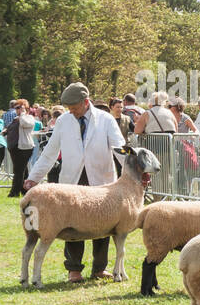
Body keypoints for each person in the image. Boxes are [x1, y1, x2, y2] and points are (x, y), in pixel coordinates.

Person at [24, 83, 127, 282]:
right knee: (69, 223)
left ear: (86, 102)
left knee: (104, 222)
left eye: (74, 107)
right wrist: (33, 178)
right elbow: (49, 153)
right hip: (73, 180)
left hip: (101, 179)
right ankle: (74, 269)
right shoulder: (63, 121)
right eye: (68, 108)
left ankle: (99, 268)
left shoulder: (105, 119)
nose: (71, 111)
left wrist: (134, 168)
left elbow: (119, 147)